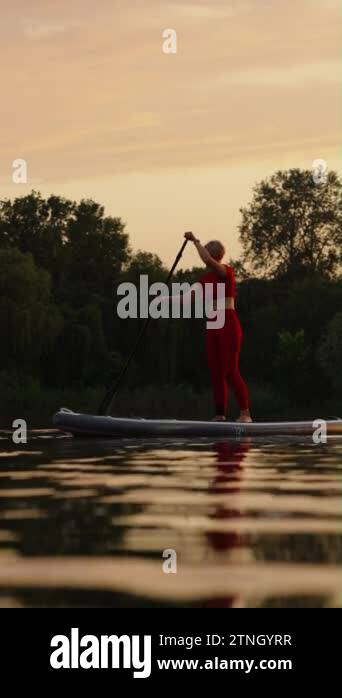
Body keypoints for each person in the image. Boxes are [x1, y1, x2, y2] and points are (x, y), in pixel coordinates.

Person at [184, 231, 252, 422]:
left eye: (205, 251)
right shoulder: (205, 280)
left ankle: (245, 413)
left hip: (228, 323)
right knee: (216, 371)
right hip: (213, 323)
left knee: (231, 370)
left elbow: (206, 259)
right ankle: (220, 414)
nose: (203, 256)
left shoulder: (225, 271)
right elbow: (185, 299)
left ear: (213, 254)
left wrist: (194, 241)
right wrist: (161, 300)